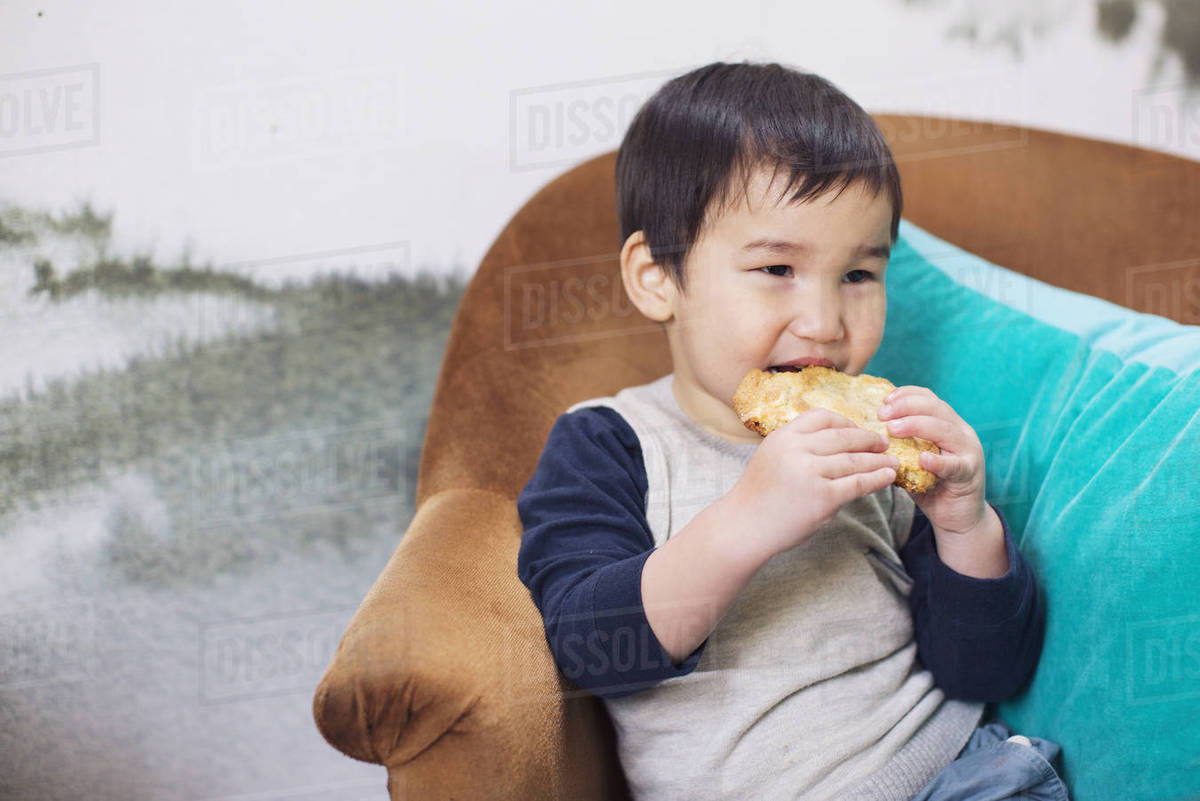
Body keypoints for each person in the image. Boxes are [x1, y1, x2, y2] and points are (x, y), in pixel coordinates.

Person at [516, 61, 1069, 801]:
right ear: (657, 277)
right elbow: (590, 647)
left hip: (954, 775)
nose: (825, 322)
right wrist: (748, 519)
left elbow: (988, 670)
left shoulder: (880, 440)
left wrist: (965, 525)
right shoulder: (612, 442)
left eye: (858, 275)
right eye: (777, 266)